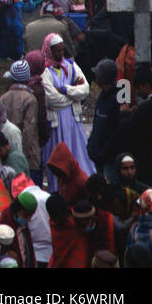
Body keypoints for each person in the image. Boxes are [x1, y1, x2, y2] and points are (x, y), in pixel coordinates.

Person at [41, 33, 95, 189]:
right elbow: (51, 99)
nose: (60, 54)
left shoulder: (70, 65)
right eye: (56, 51)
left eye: (62, 50)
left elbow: (84, 90)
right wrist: (73, 96)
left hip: (72, 120)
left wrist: (65, 89)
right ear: (49, 50)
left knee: (78, 154)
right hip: (56, 121)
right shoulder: (44, 70)